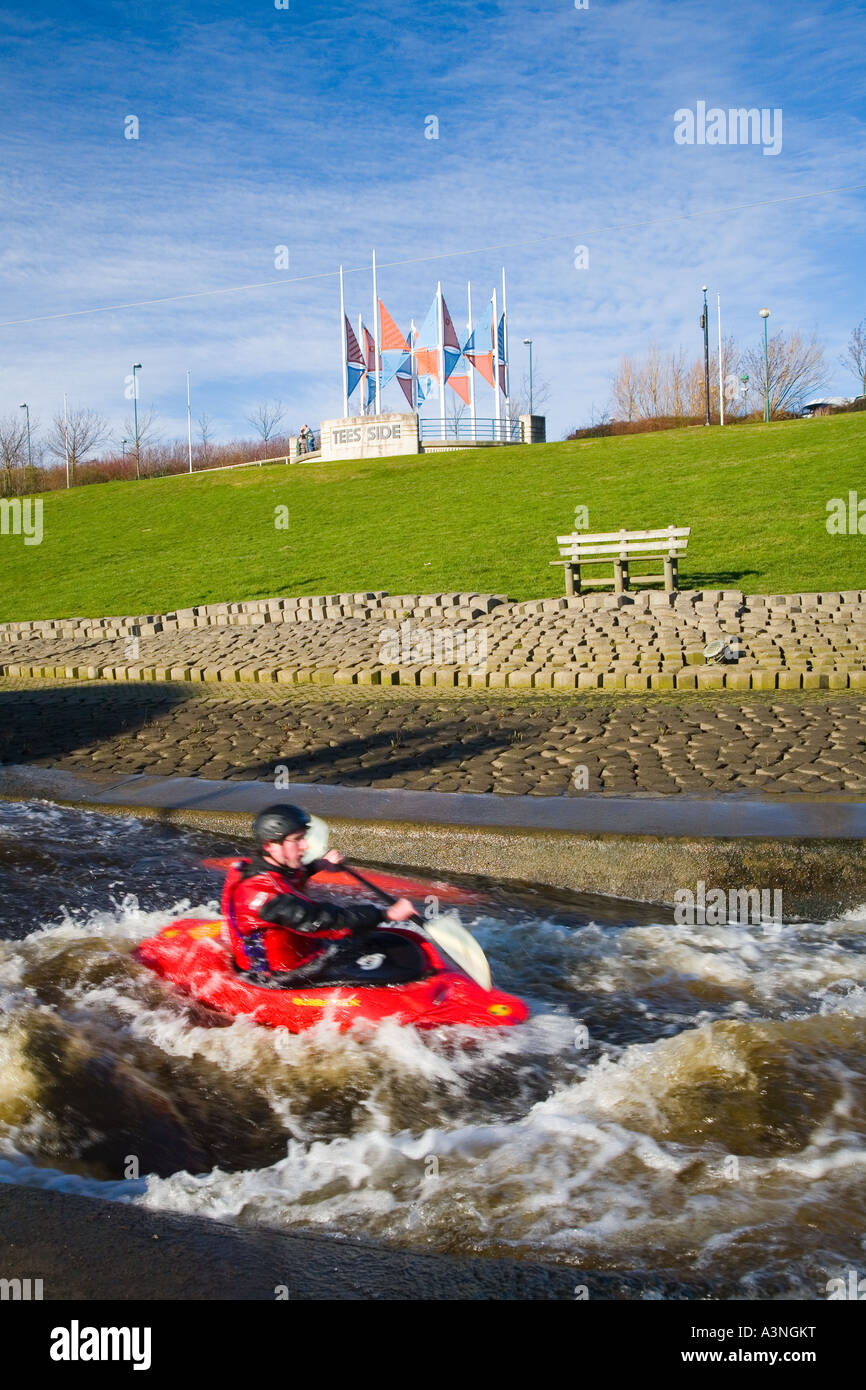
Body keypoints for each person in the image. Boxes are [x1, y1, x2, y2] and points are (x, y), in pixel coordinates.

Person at [221, 804, 423, 988]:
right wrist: (386, 915)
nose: (305, 846)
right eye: (297, 840)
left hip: (306, 953)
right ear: (269, 845)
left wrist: (319, 865)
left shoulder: (259, 868)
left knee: (391, 942)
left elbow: (286, 879)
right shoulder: (262, 894)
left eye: (304, 838)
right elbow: (321, 921)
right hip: (278, 977)